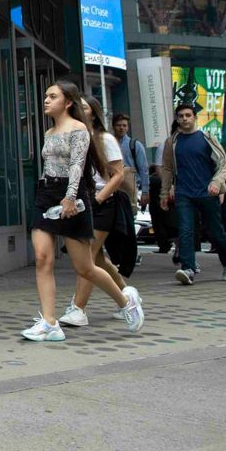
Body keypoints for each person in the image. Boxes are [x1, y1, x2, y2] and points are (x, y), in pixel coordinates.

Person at [23, 81, 143, 342]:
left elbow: (77, 165)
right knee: (43, 258)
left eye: (52, 96)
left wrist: (70, 197)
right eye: (45, 95)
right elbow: (49, 167)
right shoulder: (49, 132)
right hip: (46, 194)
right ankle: (49, 322)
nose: (46, 100)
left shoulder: (79, 130)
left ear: (67, 102)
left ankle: (126, 302)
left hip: (74, 196)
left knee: (86, 267)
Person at [59, 95, 136, 329]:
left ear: (93, 112)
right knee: (99, 259)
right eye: (77, 107)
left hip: (102, 204)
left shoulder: (104, 139)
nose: (81, 111)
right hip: (81, 202)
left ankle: (78, 309)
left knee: (87, 257)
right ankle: (128, 296)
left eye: (85, 108)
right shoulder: (75, 136)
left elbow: (119, 174)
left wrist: (100, 197)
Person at [160, 102, 226, 284]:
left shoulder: (207, 137)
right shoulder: (172, 142)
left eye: (188, 115)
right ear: (177, 119)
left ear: (195, 117)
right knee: (185, 231)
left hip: (206, 192)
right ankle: (188, 268)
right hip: (184, 193)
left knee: (215, 231)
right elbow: (167, 169)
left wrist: (217, 183)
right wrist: (164, 193)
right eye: (181, 116)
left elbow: (223, 164)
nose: (185, 118)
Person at [112, 113, 148, 213]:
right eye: (118, 125)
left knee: (130, 214)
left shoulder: (135, 145)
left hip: (131, 185)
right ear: (113, 126)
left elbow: (143, 169)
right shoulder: (108, 143)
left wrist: (145, 191)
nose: (121, 128)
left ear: (128, 127)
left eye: (124, 125)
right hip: (111, 185)